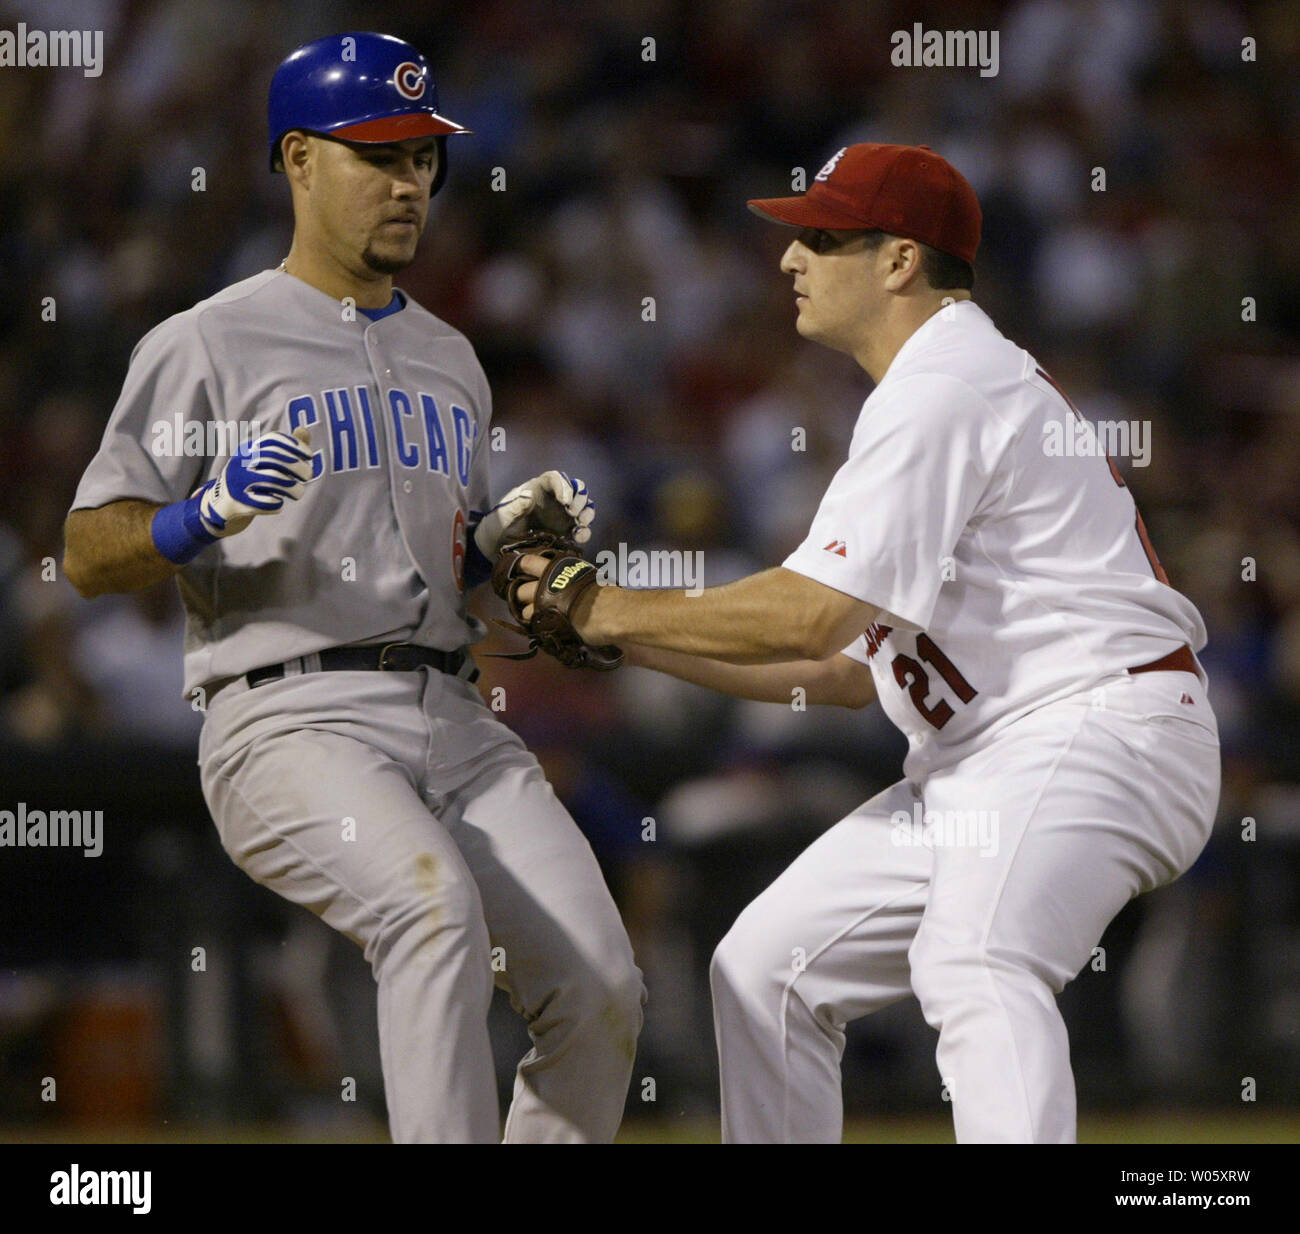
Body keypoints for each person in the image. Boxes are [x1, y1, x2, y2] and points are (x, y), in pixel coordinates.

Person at [510, 142, 1220, 1143]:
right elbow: (835, 670)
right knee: (764, 970)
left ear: (898, 261)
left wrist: (597, 605)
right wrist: (617, 641)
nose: (790, 258)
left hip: (1097, 726)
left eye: (821, 235)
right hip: (991, 757)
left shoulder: (945, 384)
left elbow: (808, 613)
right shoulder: (929, 390)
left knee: (975, 958)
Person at [62, 31, 643, 1144]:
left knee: (601, 987)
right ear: (295, 160)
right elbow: (88, 548)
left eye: (423, 158)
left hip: (452, 712)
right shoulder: (206, 341)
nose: (408, 183)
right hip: (286, 715)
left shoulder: (452, 358)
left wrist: (504, 551)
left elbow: (455, 568)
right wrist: (199, 513)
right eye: (377, 155)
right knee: (431, 912)